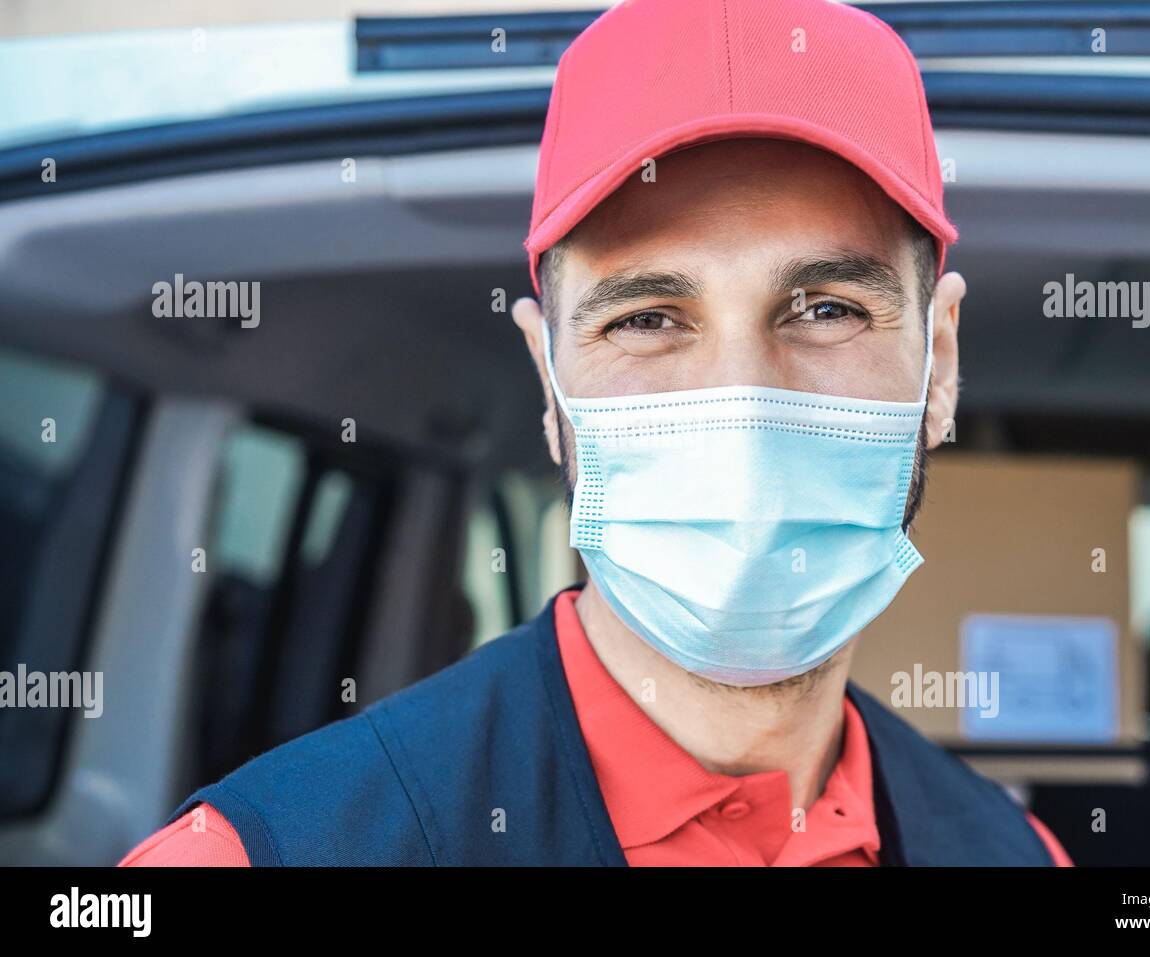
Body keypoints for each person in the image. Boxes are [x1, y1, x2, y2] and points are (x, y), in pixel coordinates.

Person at [121, 0, 1071, 867]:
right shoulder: (259, 858)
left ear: (939, 364)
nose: (739, 404)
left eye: (825, 309)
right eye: (646, 319)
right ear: (550, 382)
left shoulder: (1018, 855)